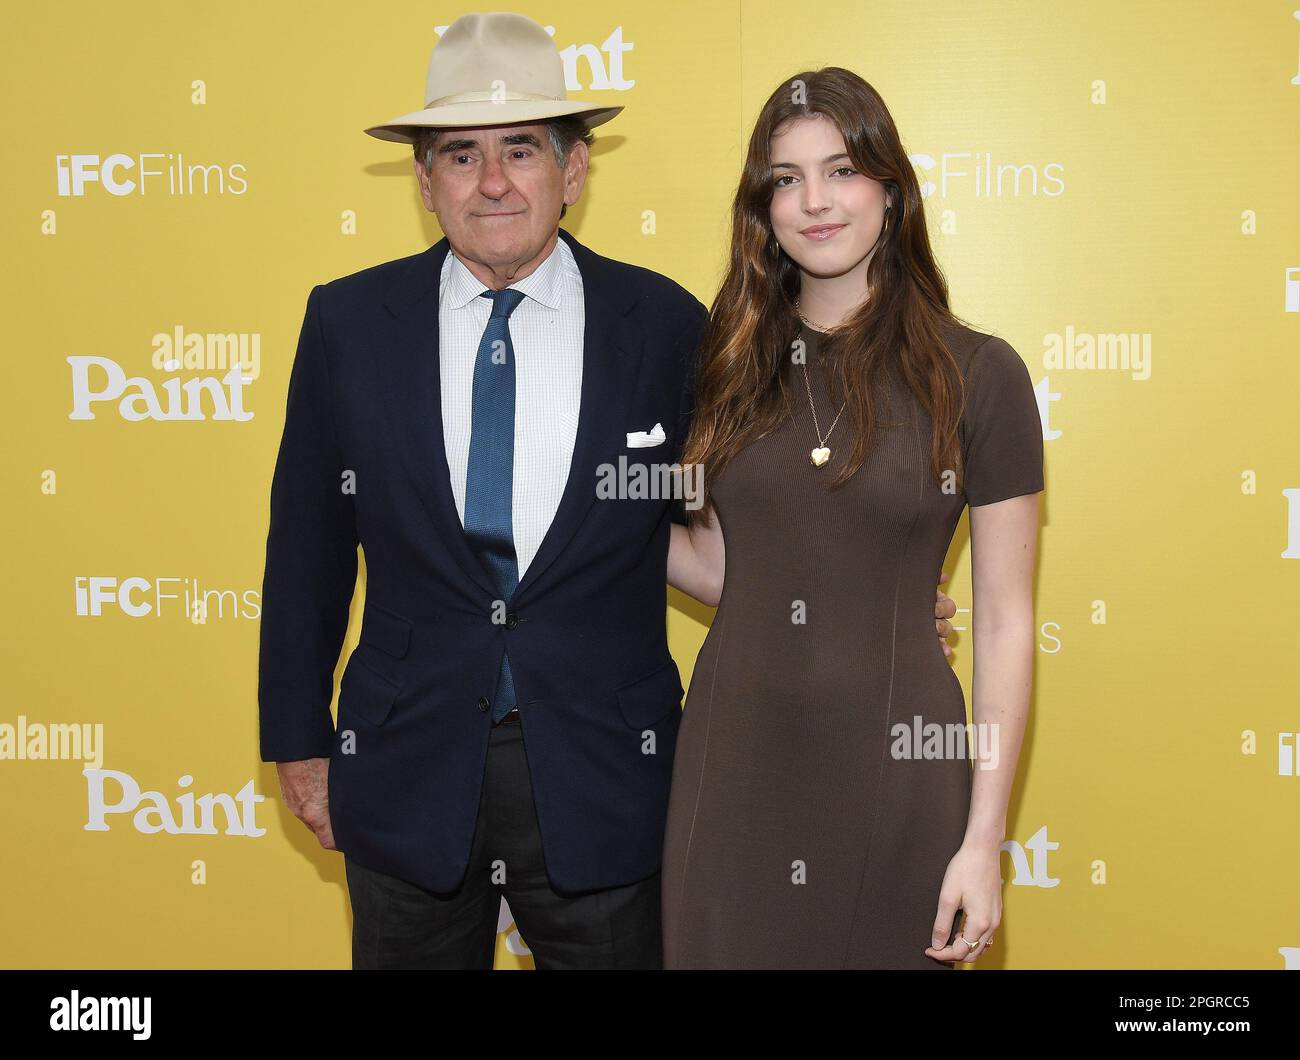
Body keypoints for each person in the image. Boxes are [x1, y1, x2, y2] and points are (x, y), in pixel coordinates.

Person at [258, 12, 958, 970]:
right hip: (404, 769)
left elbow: (746, 517)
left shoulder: (669, 325)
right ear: (424, 181)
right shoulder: (347, 323)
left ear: (574, 170)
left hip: (608, 780)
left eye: (521, 150)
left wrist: (862, 599)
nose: (492, 180)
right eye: (460, 155)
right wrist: (299, 746)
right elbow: (306, 553)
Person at [662, 67, 1044, 969]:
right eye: (786, 179)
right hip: (733, 765)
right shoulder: (725, 361)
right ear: (762, 207)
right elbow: (724, 567)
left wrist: (984, 842)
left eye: (841, 170)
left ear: (890, 186)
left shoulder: (978, 375)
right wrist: (586, 516)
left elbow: (1003, 620)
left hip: (897, 763)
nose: (816, 202)